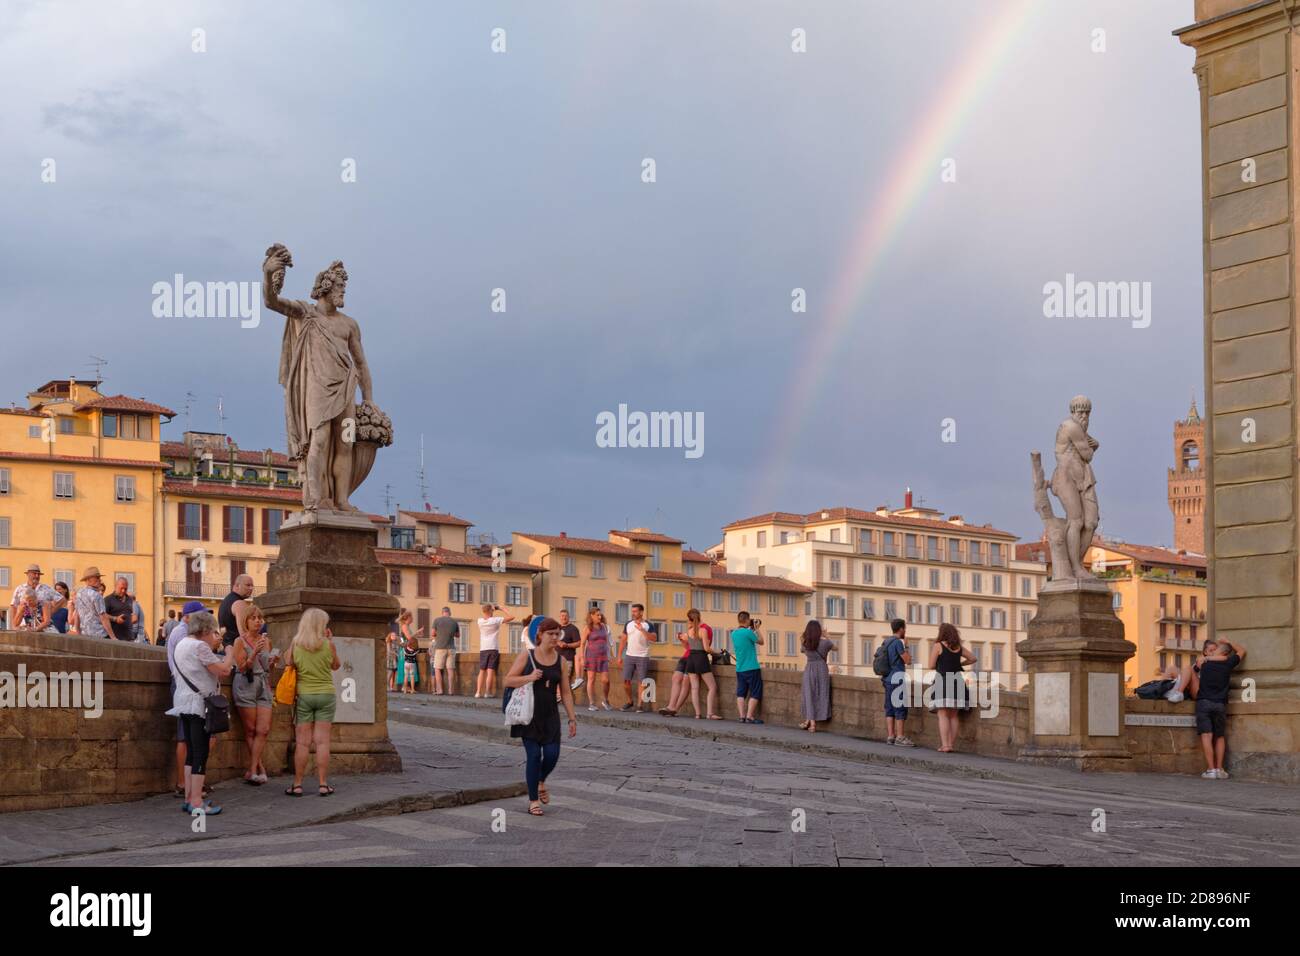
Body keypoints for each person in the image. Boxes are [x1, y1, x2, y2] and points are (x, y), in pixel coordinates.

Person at [503, 617, 577, 816]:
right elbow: (508, 680)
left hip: (550, 714)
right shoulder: (527, 656)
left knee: (552, 755)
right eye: (550, 634)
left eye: (557, 634)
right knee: (534, 756)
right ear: (540, 635)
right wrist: (529, 677)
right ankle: (533, 801)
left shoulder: (561, 661)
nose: (554, 637)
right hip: (529, 714)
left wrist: (572, 718)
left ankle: (541, 780)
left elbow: (567, 691)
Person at [168, 611, 233, 815]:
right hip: (198, 704)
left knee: (191, 751)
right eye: (212, 630)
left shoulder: (182, 644)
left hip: (183, 702)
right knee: (200, 752)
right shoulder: (199, 646)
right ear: (205, 630)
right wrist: (230, 652)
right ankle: (196, 801)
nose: (213, 634)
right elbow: (223, 670)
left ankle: (189, 797)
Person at [285, 607, 341, 797]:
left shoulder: (296, 643)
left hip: (304, 696)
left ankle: (298, 784)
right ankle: (323, 784)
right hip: (326, 695)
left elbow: (288, 662)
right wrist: (330, 642)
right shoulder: (328, 645)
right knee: (323, 742)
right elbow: (336, 665)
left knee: (302, 743)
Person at [231, 600, 276, 785]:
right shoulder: (239, 642)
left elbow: (267, 668)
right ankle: (258, 768)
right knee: (250, 729)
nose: (258, 621)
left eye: (260, 618)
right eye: (254, 618)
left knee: (263, 730)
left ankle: (253, 769)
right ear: (246, 622)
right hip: (245, 683)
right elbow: (242, 667)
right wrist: (253, 654)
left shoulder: (267, 641)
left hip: (263, 684)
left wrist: (272, 662)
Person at [167, 601, 207, 797]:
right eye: (200, 616)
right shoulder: (184, 635)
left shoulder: (181, 632)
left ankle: (190, 785)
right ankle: (185, 786)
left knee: (191, 739)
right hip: (188, 689)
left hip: (184, 688)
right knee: (188, 739)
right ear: (187, 617)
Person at [1193, 638, 1246, 779]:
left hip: (1204, 702)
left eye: (1216, 649)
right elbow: (1242, 651)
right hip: (1220, 704)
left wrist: (1208, 657)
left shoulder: (1204, 662)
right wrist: (1229, 641)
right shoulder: (1229, 663)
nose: (1213, 651)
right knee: (1220, 736)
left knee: (1206, 735)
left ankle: (1211, 770)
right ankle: (1220, 769)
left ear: (1220, 652)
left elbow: (1195, 669)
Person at [927, 623, 975, 752]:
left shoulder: (938, 646)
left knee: (942, 714)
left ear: (941, 633)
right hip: (958, 681)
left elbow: (931, 665)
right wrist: (960, 664)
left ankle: (945, 745)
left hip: (943, 680)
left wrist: (940, 662)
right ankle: (951, 745)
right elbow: (973, 658)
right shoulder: (959, 647)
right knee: (954, 716)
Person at [681, 609, 722, 719]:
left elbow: (687, 645)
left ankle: (698, 714)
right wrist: (716, 652)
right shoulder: (703, 630)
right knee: (712, 687)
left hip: (691, 659)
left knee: (694, 688)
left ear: (689, 618)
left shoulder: (689, 631)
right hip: (701, 658)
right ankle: (710, 713)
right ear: (699, 616)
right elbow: (706, 648)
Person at [882, 618, 914, 747]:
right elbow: (907, 660)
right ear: (901, 629)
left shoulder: (886, 641)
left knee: (889, 707)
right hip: (897, 678)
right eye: (904, 628)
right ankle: (900, 737)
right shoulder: (897, 643)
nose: (905, 630)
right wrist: (906, 645)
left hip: (887, 678)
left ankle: (891, 736)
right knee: (900, 707)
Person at [799, 620, 836, 733]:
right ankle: (812, 721)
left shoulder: (805, 643)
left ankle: (811, 723)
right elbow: (836, 648)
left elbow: (802, 650)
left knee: (809, 695)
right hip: (822, 670)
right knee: (821, 694)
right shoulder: (825, 643)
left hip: (809, 669)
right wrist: (826, 636)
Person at [617, 603, 653, 712]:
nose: (633, 613)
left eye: (635, 611)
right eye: (632, 611)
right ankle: (629, 701)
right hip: (629, 655)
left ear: (641, 612)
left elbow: (654, 638)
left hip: (643, 656)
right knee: (626, 681)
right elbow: (623, 640)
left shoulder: (648, 625)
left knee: (641, 681)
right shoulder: (628, 624)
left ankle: (639, 705)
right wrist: (619, 655)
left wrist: (642, 630)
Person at [731, 611, 765, 724]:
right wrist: (757, 628)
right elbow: (761, 642)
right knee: (755, 692)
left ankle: (742, 716)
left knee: (741, 693)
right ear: (747, 620)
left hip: (740, 668)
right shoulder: (748, 633)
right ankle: (750, 716)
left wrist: (751, 628)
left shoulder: (734, 633)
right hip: (752, 667)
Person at [474, 604, 515, 698]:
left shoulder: (479, 621)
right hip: (493, 647)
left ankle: (478, 692)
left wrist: (492, 609)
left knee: (482, 671)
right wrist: (502, 609)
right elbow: (512, 617)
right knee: (490, 671)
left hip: (483, 648)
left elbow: (487, 614)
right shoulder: (496, 620)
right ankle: (487, 693)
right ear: (491, 611)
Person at [10, 564, 63, 632]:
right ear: (28, 574)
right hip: (25, 625)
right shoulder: (19, 589)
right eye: (34, 574)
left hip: (44, 627)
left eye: (38, 574)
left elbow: (62, 600)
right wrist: (14, 625)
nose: (37, 576)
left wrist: (51, 611)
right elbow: (13, 606)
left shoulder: (46, 588)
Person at [581, 608, 612, 712]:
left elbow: (607, 642)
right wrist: (582, 658)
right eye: (597, 615)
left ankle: (606, 700)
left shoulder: (603, 626)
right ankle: (592, 703)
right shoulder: (588, 628)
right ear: (592, 616)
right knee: (591, 679)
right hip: (591, 656)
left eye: (600, 615)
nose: (600, 617)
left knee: (606, 680)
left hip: (603, 656)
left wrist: (610, 655)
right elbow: (582, 643)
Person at [72, 567, 115, 639]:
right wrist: (113, 637)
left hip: (85, 634)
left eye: (99, 578)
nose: (100, 580)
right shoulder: (97, 595)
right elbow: (103, 617)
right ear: (88, 580)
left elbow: (77, 615)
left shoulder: (79, 593)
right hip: (99, 635)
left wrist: (78, 632)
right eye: (97, 578)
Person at [219, 574, 255, 647]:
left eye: (252, 586)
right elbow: (244, 632)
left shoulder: (225, 601)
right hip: (238, 649)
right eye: (248, 585)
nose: (251, 588)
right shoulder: (239, 603)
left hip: (228, 647)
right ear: (237, 586)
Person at [430, 607, 459, 695]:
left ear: (442, 612)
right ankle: (451, 690)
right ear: (449, 613)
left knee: (437, 669)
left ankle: (440, 690)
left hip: (440, 648)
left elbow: (433, 634)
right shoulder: (454, 622)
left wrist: (440, 633)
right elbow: (458, 635)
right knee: (450, 669)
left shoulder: (437, 620)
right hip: (451, 648)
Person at [557, 609, 583, 692]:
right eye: (562, 616)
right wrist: (558, 642)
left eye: (565, 616)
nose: (564, 618)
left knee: (565, 680)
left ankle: (562, 698)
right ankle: (558, 697)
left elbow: (579, 643)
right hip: (555, 658)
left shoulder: (573, 629)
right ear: (559, 617)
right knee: (556, 679)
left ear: (568, 617)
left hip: (567, 658)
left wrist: (567, 645)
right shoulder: (557, 628)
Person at [103, 577, 135, 642]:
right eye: (121, 588)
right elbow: (103, 616)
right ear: (115, 586)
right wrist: (115, 619)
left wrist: (133, 617)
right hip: (115, 639)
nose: (123, 591)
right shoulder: (108, 600)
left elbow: (131, 614)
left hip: (129, 638)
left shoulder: (130, 599)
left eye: (125, 589)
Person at [401, 615, 422, 694]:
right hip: (410, 658)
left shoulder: (407, 626)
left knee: (406, 675)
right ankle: (410, 688)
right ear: (408, 618)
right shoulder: (405, 626)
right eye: (411, 617)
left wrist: (418, 634)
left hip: (406, 657)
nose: (412, 619)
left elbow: (410, 638)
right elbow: (409, 638)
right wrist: (417, 632)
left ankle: (405, 688)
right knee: (411, 675)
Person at [386, 616, 400, 692]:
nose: (394, 636)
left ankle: (390, 686)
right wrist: (396, 654)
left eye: (395, 635)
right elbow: (389, 651)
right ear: (390, 636)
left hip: (394, 659)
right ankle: (387, 685)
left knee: (392, 673)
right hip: (390, 659)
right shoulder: (389, 642)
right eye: (392, 635)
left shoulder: (396, 642)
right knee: (390, 672)